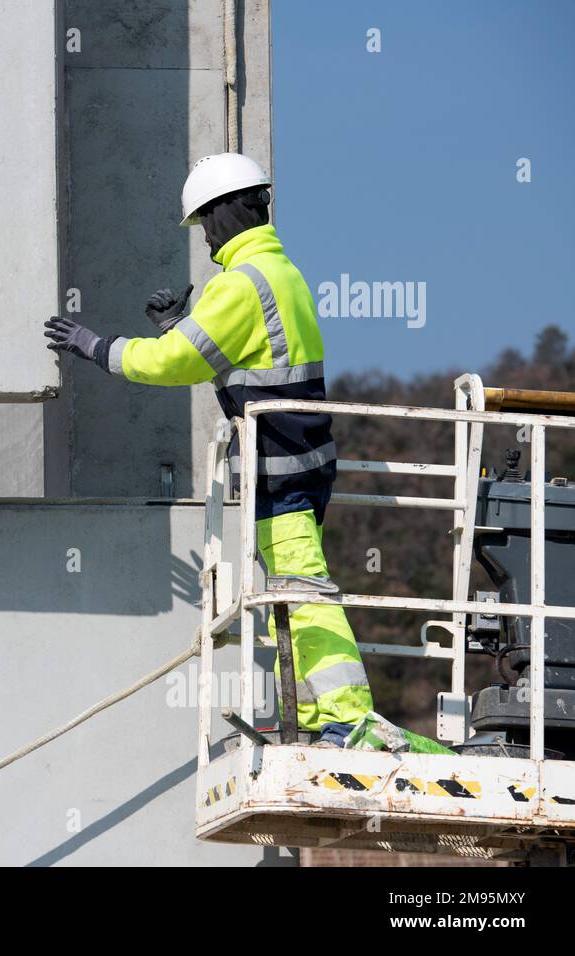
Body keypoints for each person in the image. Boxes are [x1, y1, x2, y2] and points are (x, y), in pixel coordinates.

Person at [44, 153, 372, 745]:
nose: (205, 234)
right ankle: (325, 721)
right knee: (290, 594)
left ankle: (347, 717)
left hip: (280, 468)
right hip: (298, 460)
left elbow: (176, 364)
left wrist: (97, 346)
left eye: (204, 220)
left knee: (303, 593)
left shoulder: (243, 284)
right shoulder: (282, 274)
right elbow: (236, 355)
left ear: (231, 208)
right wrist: (182, 325)